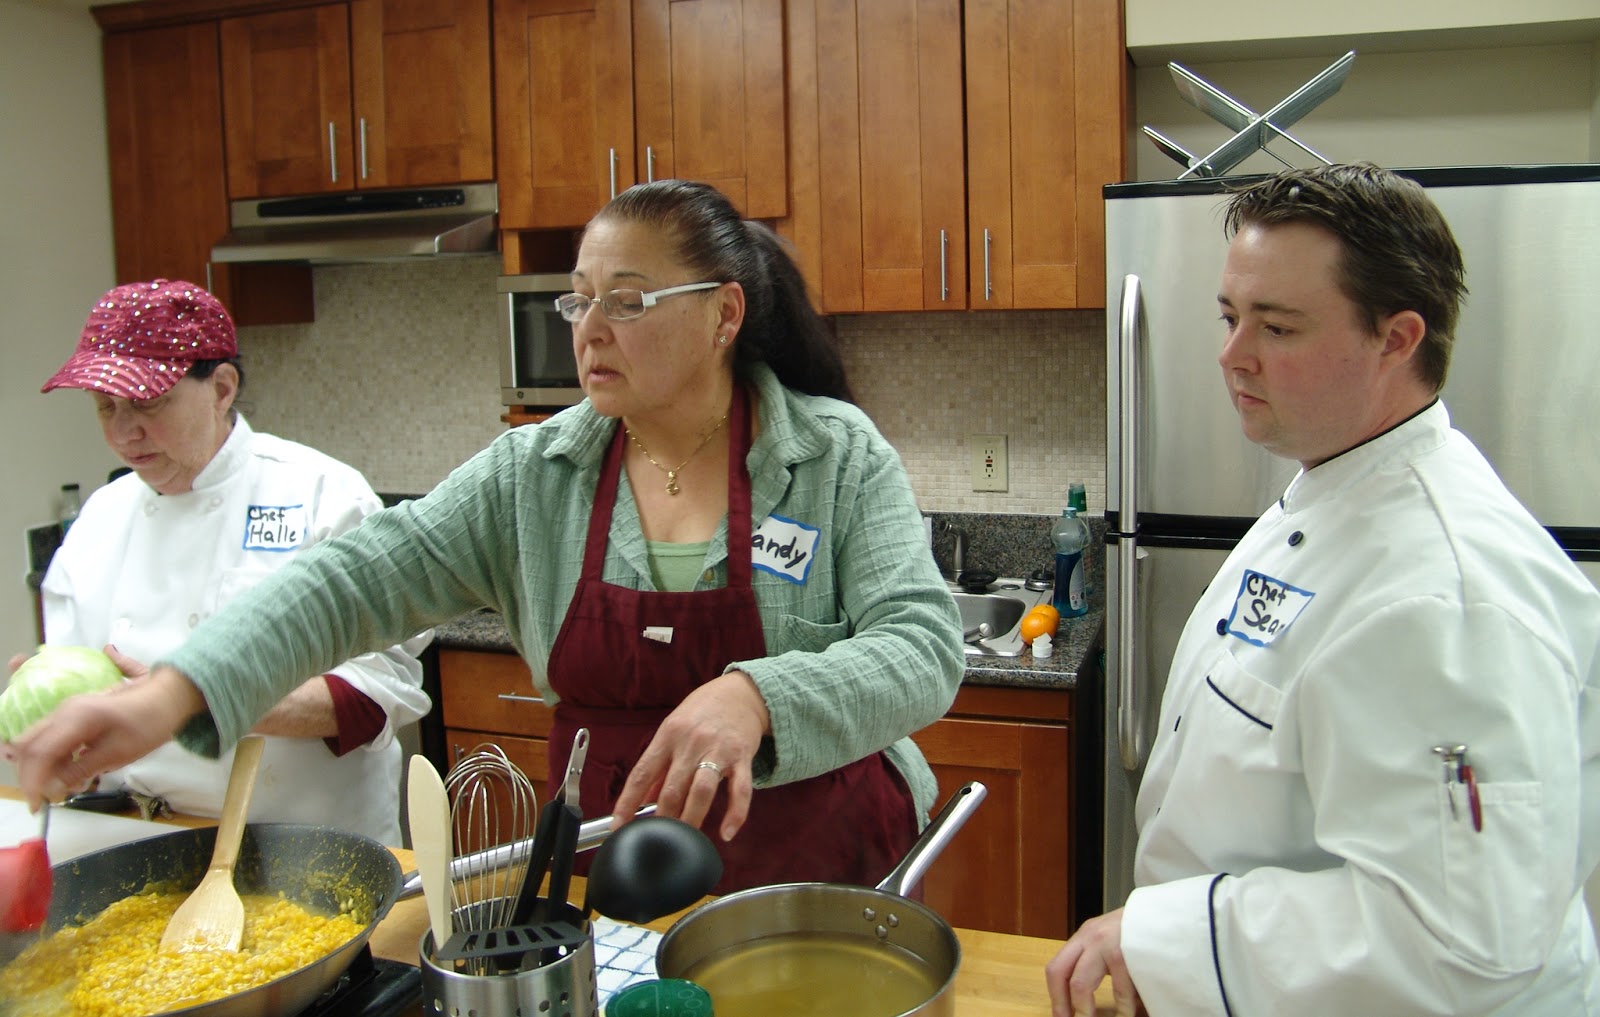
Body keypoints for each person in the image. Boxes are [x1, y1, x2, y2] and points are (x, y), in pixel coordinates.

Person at [11, 182, 965, 893]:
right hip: (610, 865)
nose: (589, 328)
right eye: (579, 299)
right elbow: (351, 581)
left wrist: (759, 694)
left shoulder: (833, 454)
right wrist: (179, 689)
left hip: (822, 869)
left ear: (724, 313)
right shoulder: (533, 474)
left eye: (627, 300)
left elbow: (925, 647)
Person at [1048, 163, 1600, 1017]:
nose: (1233, 355)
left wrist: (1164, 937)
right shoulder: (1333, 488)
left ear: (1397, 338)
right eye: (1230, 317)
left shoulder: (1446, 595)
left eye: (1278, 326)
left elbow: (1456, 940)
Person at [13, 279, 432, 845]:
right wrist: (50, 714)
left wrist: (185, 702)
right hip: (138, 841)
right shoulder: (99, 522)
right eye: (104, 407)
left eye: (146, 402)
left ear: (223, 387)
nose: (123, 432)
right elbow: (80, 680)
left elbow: (373, 698)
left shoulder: (323, 496)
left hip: (307, 846)